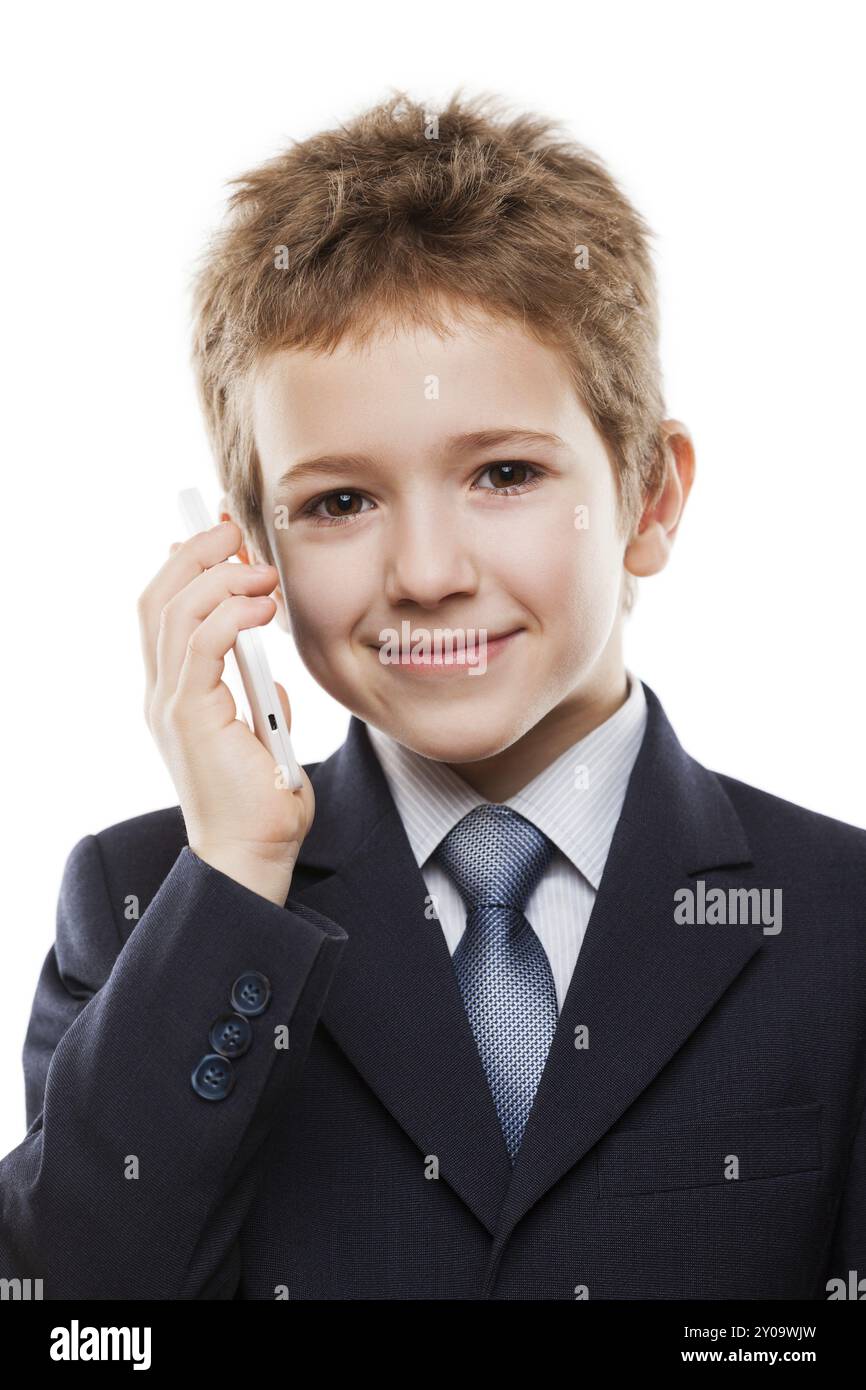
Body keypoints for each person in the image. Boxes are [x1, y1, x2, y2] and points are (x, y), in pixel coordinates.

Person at [1, 90, 863, 1300]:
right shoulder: (153, 907)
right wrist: (238, 877)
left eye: (504, 474)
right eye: (337, 503)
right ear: (250, 550)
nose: (424, 574)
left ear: (650, 500)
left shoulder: (836, 917)